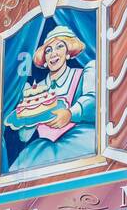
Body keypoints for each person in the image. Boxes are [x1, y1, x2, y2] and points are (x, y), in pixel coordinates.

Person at [8, 24, 97, 173]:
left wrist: (70, 114)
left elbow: (93, 102)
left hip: (79, 139)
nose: (53, 53)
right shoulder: (36, 89)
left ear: (68, 52)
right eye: (48, 50)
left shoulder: (84, 74)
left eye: (59, 47)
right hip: (44, 148)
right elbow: (24, 137)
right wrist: (26, 115)